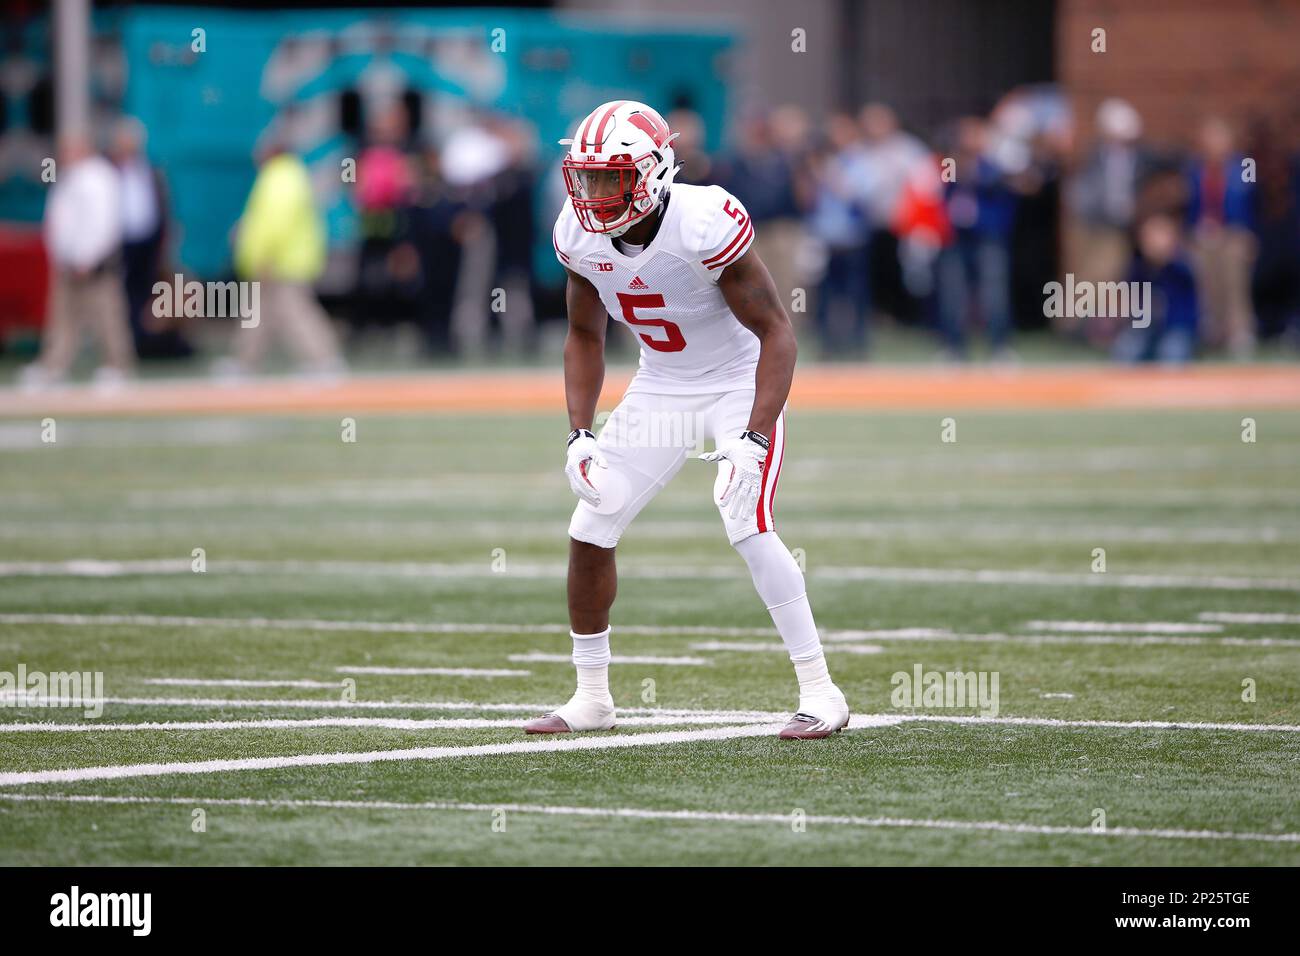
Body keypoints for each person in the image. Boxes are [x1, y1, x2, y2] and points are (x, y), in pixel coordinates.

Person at [526, 101, 849, 740]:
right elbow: (584, 336)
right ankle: (592, 697)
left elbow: (777, 334)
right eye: (586, 178)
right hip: (662, 386)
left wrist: (753, 440)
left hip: (736, 378)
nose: (594, 194)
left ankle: (822, 690)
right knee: (591, 522)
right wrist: (579, 432)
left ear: (651, 173)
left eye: (610, 177)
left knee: (745, 521)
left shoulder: (704, 221)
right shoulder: (579, 234)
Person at [221, 141, 345, 378]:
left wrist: (265, 256)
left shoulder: (280, 178)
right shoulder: (287, 175)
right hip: (281, 260)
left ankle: (325, 360)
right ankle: (244, 362)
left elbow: (275, 222)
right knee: (258, 312)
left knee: (294, 311)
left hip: (280, 261)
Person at [22, 131, 133, 389]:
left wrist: (88, 256)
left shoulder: (99, 177)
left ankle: (117, 365)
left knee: (106, 314)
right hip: (67, 261)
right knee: (62, 316)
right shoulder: (70, 176)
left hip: (92, 263)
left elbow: (103, 221)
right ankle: (54, 365)